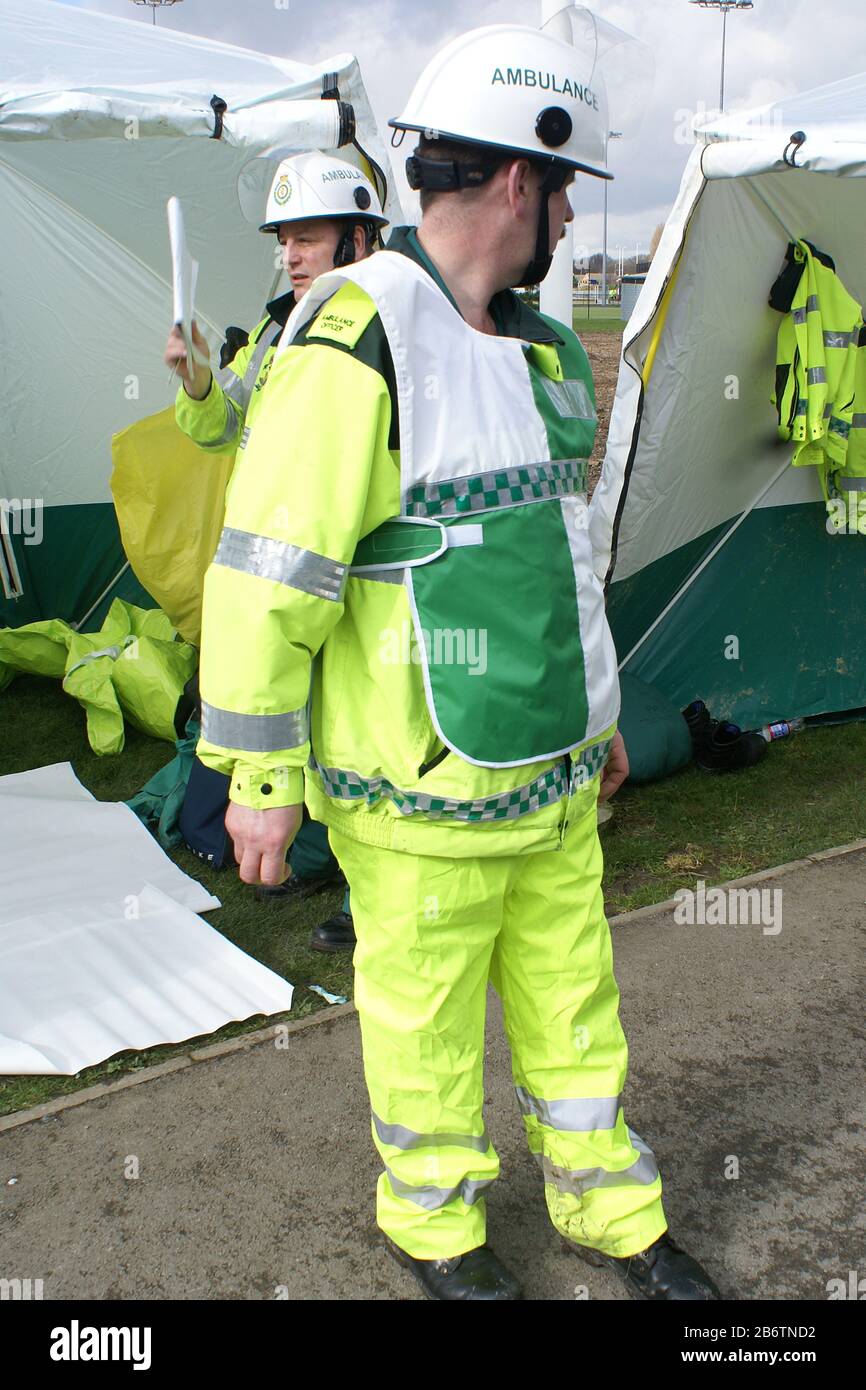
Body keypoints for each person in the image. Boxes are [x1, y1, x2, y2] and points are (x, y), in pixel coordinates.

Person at [196, 22, 720, 1301]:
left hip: (545, 787)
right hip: (417, 790)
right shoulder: (355, 337)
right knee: (423, 1030)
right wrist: (254, 782)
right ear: (514, 180)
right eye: (560, 192)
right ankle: (434, 1228)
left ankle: (608, 1208)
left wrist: (599, 718)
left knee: (575, 1014)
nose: (559, 219)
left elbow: (560, 562)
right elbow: (269, 577)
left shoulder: (543, 352)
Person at [165, 151, 388, 951]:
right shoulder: (270, 327)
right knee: (326, 743)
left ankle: (372, 901)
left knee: (369, 746)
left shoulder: (383, 329)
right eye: (283, 238)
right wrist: (195, 382)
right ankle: (345, 872)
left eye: (308, 236)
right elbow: (221, 423)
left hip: (357, 582)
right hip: (292, 574)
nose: (290, 254)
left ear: (360, 238)